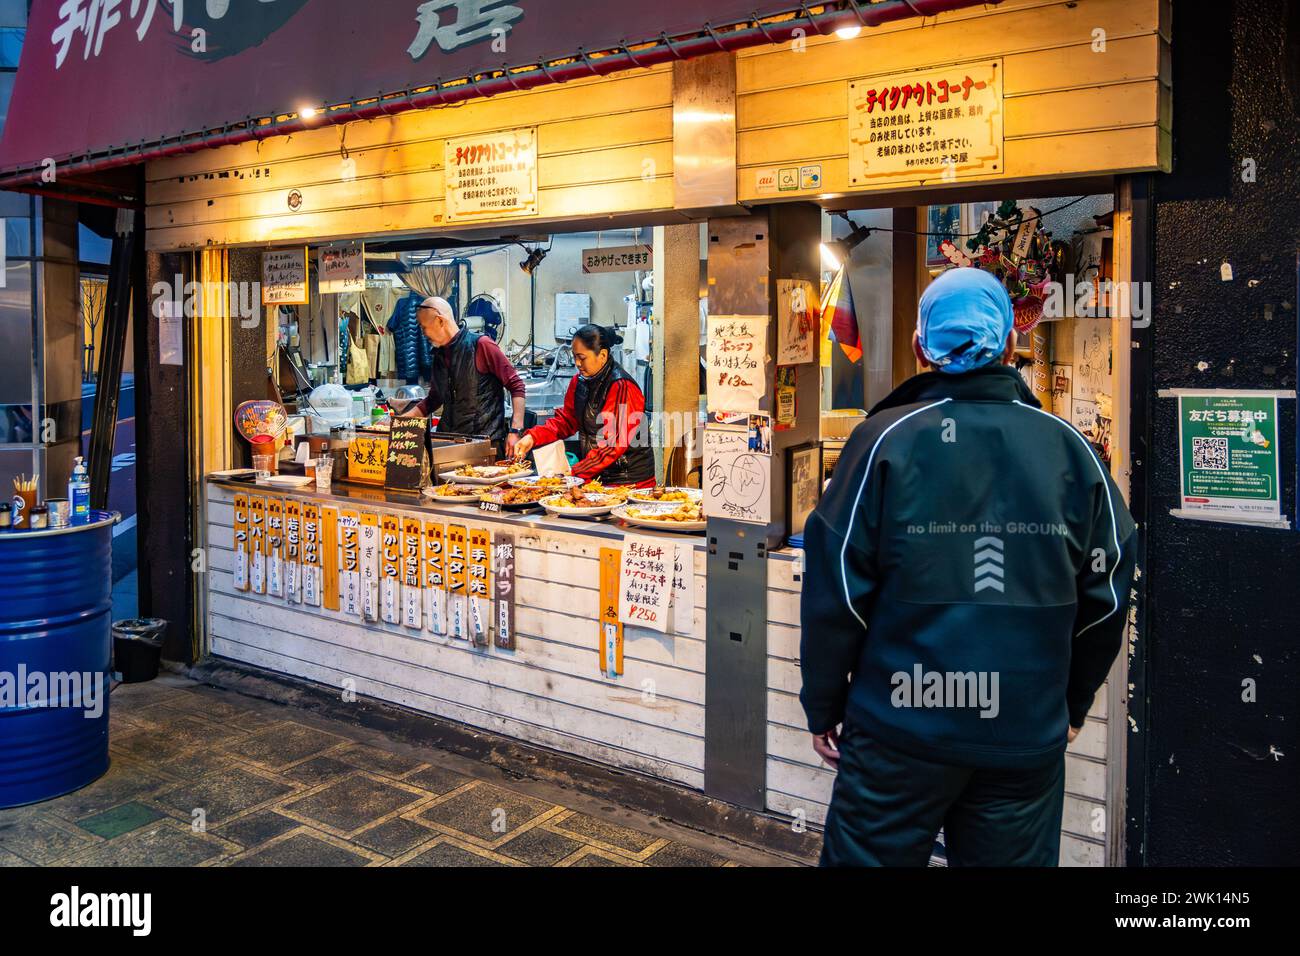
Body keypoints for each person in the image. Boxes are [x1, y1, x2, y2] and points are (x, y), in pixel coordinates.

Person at [799, 267, 1136, 867]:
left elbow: (837, 589)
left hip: (896, 735)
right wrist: (1071, 703)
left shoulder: (881, 440)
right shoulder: (1070, 448)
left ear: (919, 348)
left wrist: (824, 704)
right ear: (1011, 344)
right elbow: (1108, 590)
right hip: (1022, 737)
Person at [512, 324, 655, 487]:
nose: (577, 363)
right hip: (597, 478)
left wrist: (574, 473)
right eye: (574, 357)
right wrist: (532, 437)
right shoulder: (579, 382)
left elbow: (613, 445)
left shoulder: (622, 386)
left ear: (602, 355)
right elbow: (566, 422)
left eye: (582, 357)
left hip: (629, 482)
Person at [410, 296, 526, 456]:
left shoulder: (482, 345)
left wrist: (515, 431)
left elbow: (517, 386)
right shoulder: (439, 355)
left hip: (484, 446)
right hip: (450, 444)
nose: (423, 333)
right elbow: (433, 400)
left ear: (440, 321)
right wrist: (400, 421)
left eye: (424, 327)